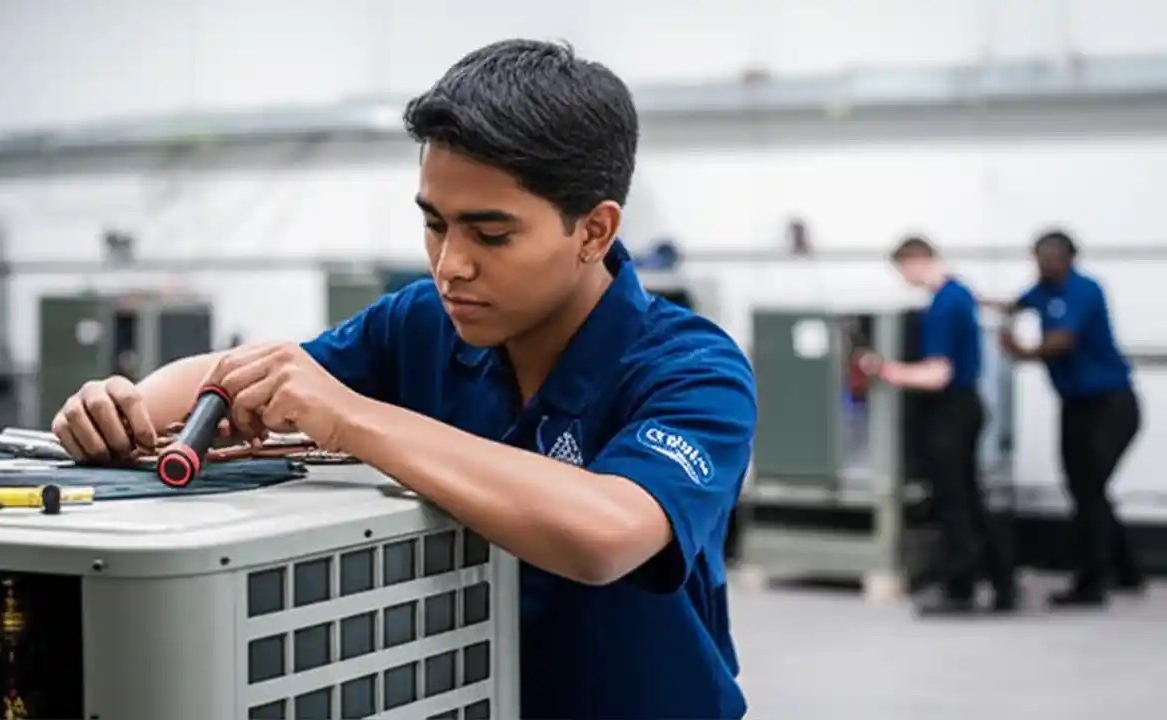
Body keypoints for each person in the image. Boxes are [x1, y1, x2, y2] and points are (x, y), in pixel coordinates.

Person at [52, 40, 756, 719]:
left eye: (491, 234)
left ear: (594, 232)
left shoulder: (693, 370)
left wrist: (352, 417)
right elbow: (248, 374)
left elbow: (606, 533)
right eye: (434, 225)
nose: (450, 265)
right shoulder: (422, 324)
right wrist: (128, 405)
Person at [859, 236, 1016, 615]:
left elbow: (936, 375)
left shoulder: (945, 304)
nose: (904, 280)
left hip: (952, 412)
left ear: (915, 262)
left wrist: (883, 370)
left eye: (903, 271)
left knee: (954, 503)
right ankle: (1001, 583)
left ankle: (960, 589)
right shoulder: (958, 295)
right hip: (964, 409)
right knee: (969, 499)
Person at [998, 230, 1142, 607]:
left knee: (1089, 491)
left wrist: (1020, 352)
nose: (1042, 264)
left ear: (1067, 257)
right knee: (1087, 488)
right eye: (1037, 257)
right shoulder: (1041, 291)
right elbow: (1012, 306)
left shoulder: (1084, 290)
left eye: (1049, 256)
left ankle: (1092, 584)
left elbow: (1063, 341)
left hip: (1108, 405)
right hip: (1076, 405)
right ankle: (1126, 571)